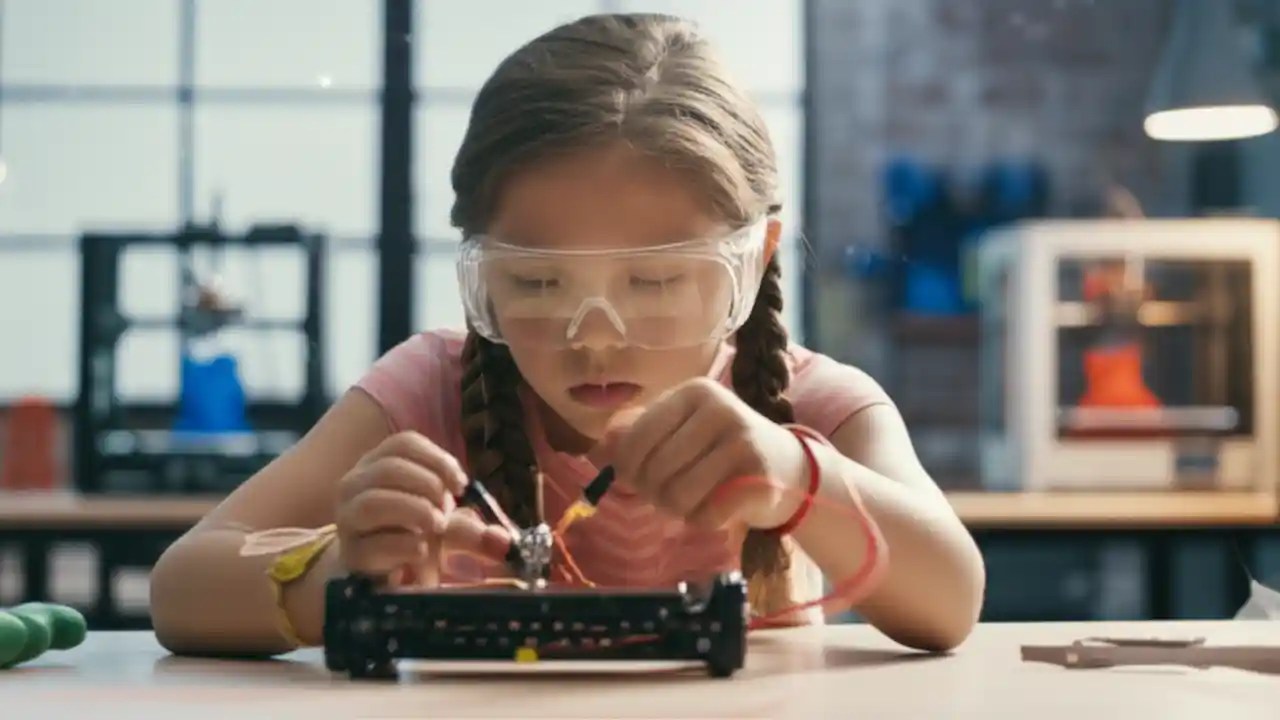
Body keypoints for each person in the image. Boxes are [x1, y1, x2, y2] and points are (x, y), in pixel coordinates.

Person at [149, 12, 985, 658]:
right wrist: (339, 578)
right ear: (482, 272)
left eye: (654, 281)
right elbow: (181, 586)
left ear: (755, 258)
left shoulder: (814, 407)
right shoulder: (428, 393)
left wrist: (800, 479)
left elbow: (952, 600)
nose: (595, 339)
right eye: (538, 282)